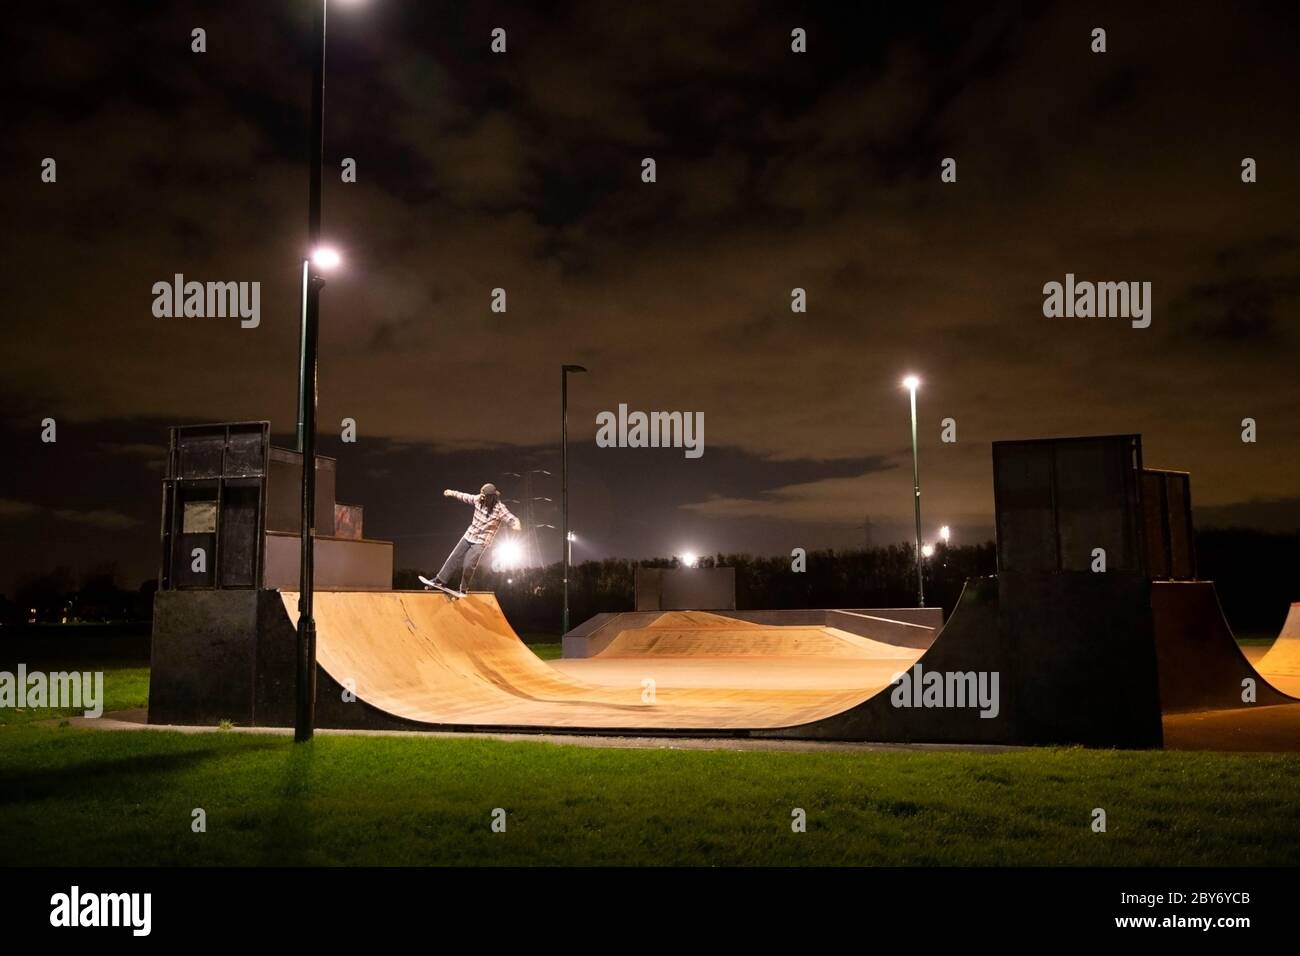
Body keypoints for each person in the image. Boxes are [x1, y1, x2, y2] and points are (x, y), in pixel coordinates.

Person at [429, 483, 521, 592]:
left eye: (484, 497)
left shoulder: (500, 508)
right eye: (481, 496)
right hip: (469, 535)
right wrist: (451, 493)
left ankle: (463, 589)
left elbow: (511, 518)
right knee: (454, 557)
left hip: (481, 542)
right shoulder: (478, 499)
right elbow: (464, 496)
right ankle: (440, 580)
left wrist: (516, 524)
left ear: (491, 497)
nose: (481, 498)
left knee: (468, 565)